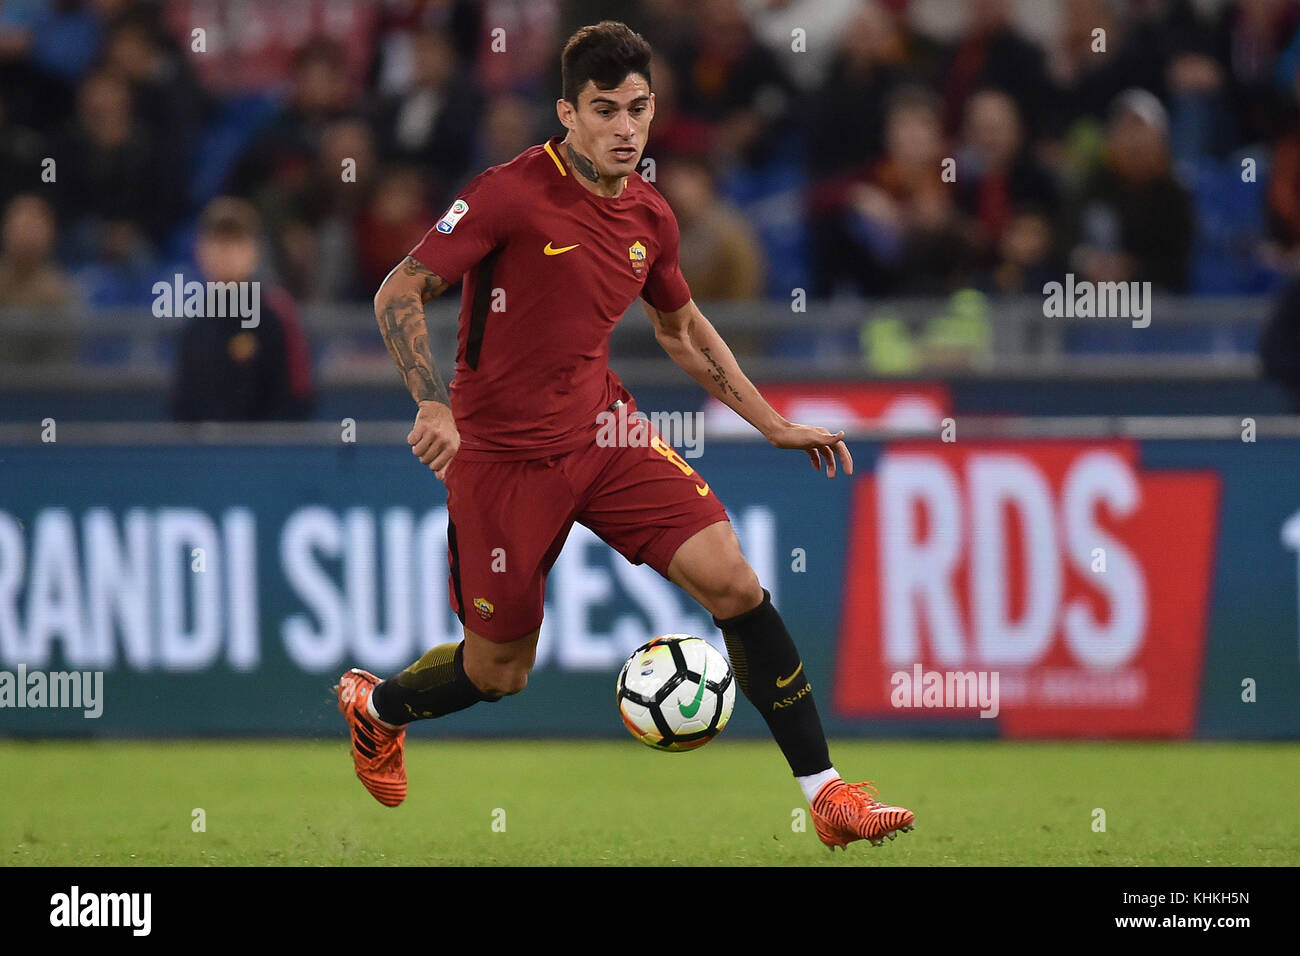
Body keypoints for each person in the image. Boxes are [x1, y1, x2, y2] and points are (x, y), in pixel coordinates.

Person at [335, 20, 915, 852]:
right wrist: (432, 406)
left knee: (735, 583)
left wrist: (772, 422)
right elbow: (399, 292)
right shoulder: (508, 193)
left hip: (605, 432)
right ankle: (377, 707)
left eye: (637, 109)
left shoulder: (650, 212)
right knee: (499, 671)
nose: (623, 127)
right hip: (503, 461)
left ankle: (827, 796)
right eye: (604, 109)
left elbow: (681, 331)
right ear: (567, 114)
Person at [170, 197, 313, 421]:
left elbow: (296, 397)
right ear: (201, 252)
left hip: (265, 452)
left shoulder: (275, 314)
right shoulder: (195, 326)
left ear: (254, 252)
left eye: (235, 241)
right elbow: (184, 405)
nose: (225, 252)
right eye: (217, 241)